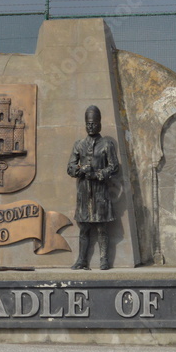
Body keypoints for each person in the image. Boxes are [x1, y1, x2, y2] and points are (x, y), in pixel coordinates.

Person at [67, 105, 119, 270]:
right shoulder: (79, 144)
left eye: (93, 123)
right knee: (84, 228)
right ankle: (81, 260)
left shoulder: (106, 144)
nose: (91, 126)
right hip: (84, 192)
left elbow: (114, 167)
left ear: (100, 124)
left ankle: (104, 260)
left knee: (102, 227)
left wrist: (97, 174)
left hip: (100, 192)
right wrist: (81, 170)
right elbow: (70, 167)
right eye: (88, 124)